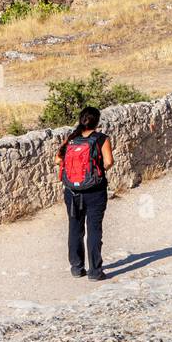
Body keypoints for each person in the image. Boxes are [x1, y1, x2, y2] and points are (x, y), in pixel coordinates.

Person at [55, 106, 114, 281]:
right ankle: (95, 272)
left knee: (75, 229)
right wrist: (95, 171)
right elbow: (109, 162)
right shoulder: (101, 139)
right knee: (94, 230)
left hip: (72, 191)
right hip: (95, 192)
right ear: (97, 122)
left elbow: (57, 159)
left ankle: (76, 267)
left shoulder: (71, 139)